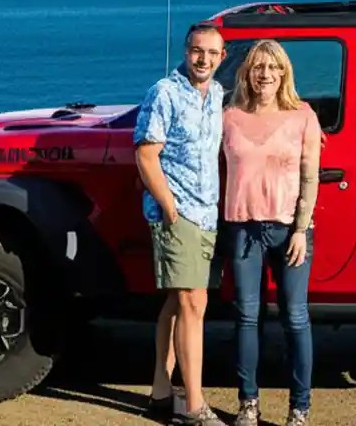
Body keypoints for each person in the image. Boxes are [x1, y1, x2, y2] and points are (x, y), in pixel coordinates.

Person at [221, 39, 322, 426]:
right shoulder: (229, 115)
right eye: (258, 67)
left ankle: (300, 408)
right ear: (247, 72)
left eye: (273, 67)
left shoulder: (303, 116)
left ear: (284, 72)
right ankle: (249, 403)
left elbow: (310, 177)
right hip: (244, 228)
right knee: (246, 317)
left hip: (289, 231)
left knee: (295, 317)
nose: (265, 74)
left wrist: (300, 228)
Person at [134, 21, 229, 426]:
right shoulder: (165, 92)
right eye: (197, 51)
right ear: (185, 51)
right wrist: (170, 208)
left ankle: (160, 391)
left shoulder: (218, 94)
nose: (203, 59)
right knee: (193, 305)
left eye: (211, 53)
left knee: (178, 303)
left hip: (208, 214)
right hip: (181, 215)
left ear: (222, 57)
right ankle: (193, 406)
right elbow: (145, 154)